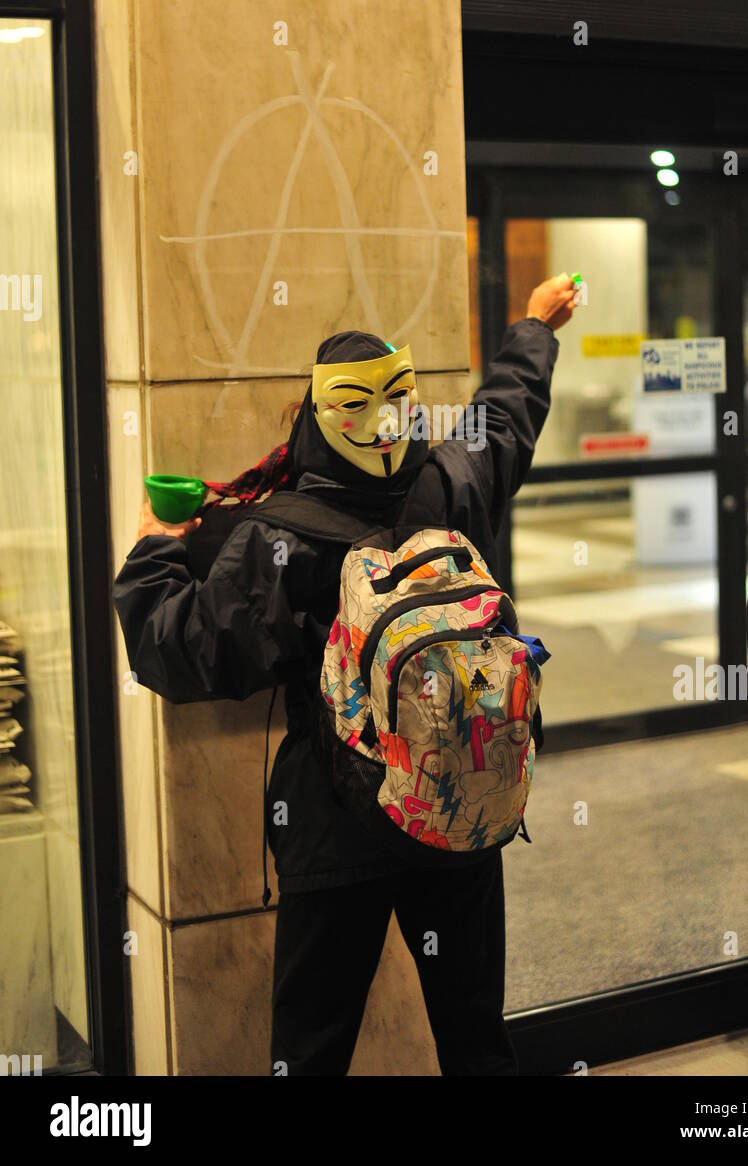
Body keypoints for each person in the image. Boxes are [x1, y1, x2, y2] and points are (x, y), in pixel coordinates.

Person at [114, 273, 579, 1076]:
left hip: (334, 824)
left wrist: (160, 542)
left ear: (313, 424)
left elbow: (182, 651)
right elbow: (505, 417)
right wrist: (536, 328)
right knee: (475, 1038)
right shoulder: (455, 483)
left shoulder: (272, 538)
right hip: (455, 804)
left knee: (312, 1048)